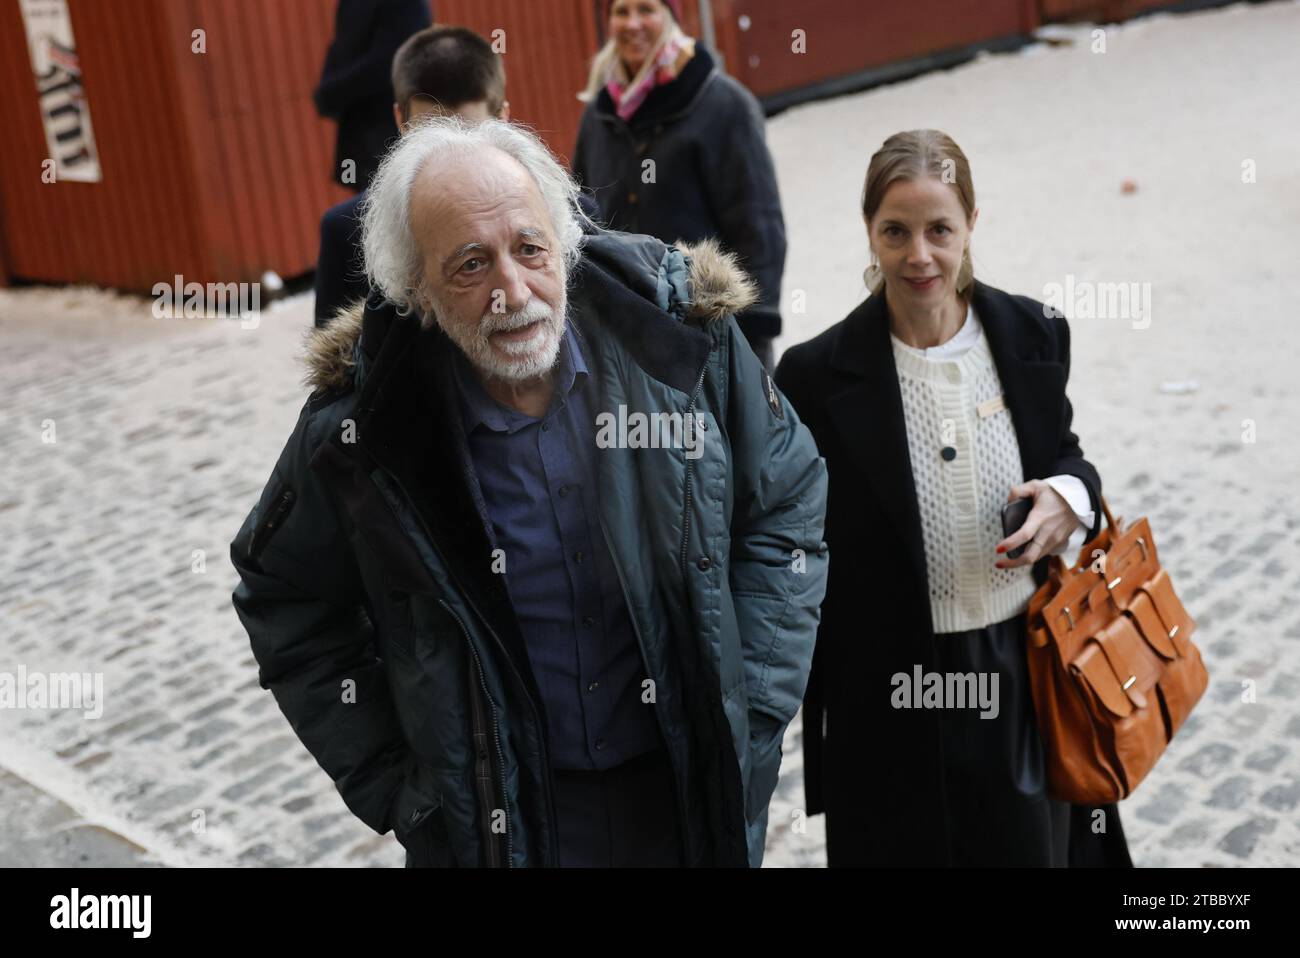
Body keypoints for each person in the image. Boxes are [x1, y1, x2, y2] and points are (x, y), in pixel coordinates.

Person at [230, 116, 828, 867]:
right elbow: (283, 595)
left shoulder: (679, 343)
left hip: (682, 793)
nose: (513, 292)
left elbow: (787, 499)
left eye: (530, 249)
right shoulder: (366, 433)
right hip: (508, 825)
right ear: (418, 289)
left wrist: (756, 707)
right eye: (470, 266)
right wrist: (404, 787)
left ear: (565, 244)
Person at [774, 129, 1132, 867]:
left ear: (972, 224)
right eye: (895, 232)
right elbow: (790, 537)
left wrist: (1071, 496)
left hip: (1019, 667)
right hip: (888, 687)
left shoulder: (1032, 333)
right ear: (868, 233)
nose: (919, 256)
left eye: (940, 230)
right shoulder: (815, 377)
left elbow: (1069, 455)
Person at [571, 0, 786, 371]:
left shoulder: (724, 105)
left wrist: (755, 329)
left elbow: (759, 225)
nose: (632, 23)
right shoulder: (599, 113)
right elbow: (581, 214)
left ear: (672, 16)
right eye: (621, 11)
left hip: (709, 329)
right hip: (627, 331)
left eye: (646, 9)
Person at [314, 24, 508, 328]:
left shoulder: (565, 216)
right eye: (433, 134)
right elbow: (334, 368)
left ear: (503, 118)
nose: (453, 157)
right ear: (400, 122)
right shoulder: (348, 233)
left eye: (470, 134)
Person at [314, 0, 432, 194]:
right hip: (362, 130)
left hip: (392, 128)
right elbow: (341, 49)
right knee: (368, 209)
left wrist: (329, 93)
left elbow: (389, 63)